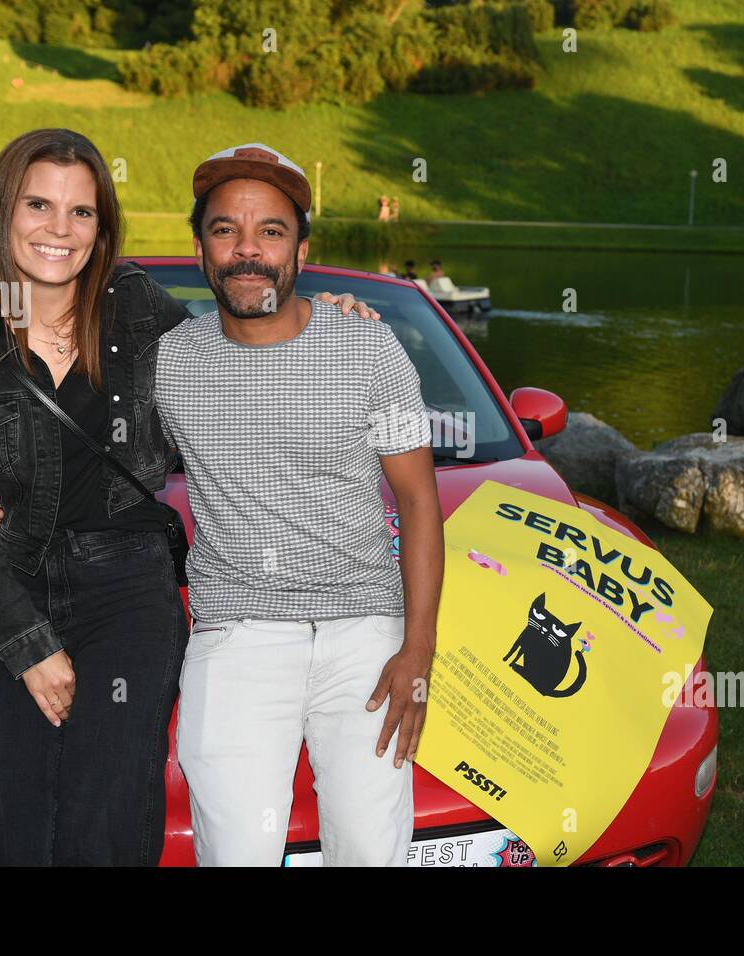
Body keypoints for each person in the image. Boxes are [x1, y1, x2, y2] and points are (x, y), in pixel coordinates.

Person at [0, 128, 374, 866]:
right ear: (2, 213)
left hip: (127, 588)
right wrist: (28, 648)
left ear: (102, 227)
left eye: (82, 212)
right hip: (10, 587)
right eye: (39, 204)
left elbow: (238, 358)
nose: (60, 229)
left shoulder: (131, 306)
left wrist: (323, 323)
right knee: (11, 830)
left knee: (111, 827)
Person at [158, 143, 444, 866]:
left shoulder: (370, 351)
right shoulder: (167, 361)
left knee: (370, 853)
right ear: (200, 248)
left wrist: (416, 648)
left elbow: (417, 503)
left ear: (301, 250)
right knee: (236, 854)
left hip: (367, 639)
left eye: (271, 232)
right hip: (238, 637)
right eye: (226, 230)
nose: (247, 250)